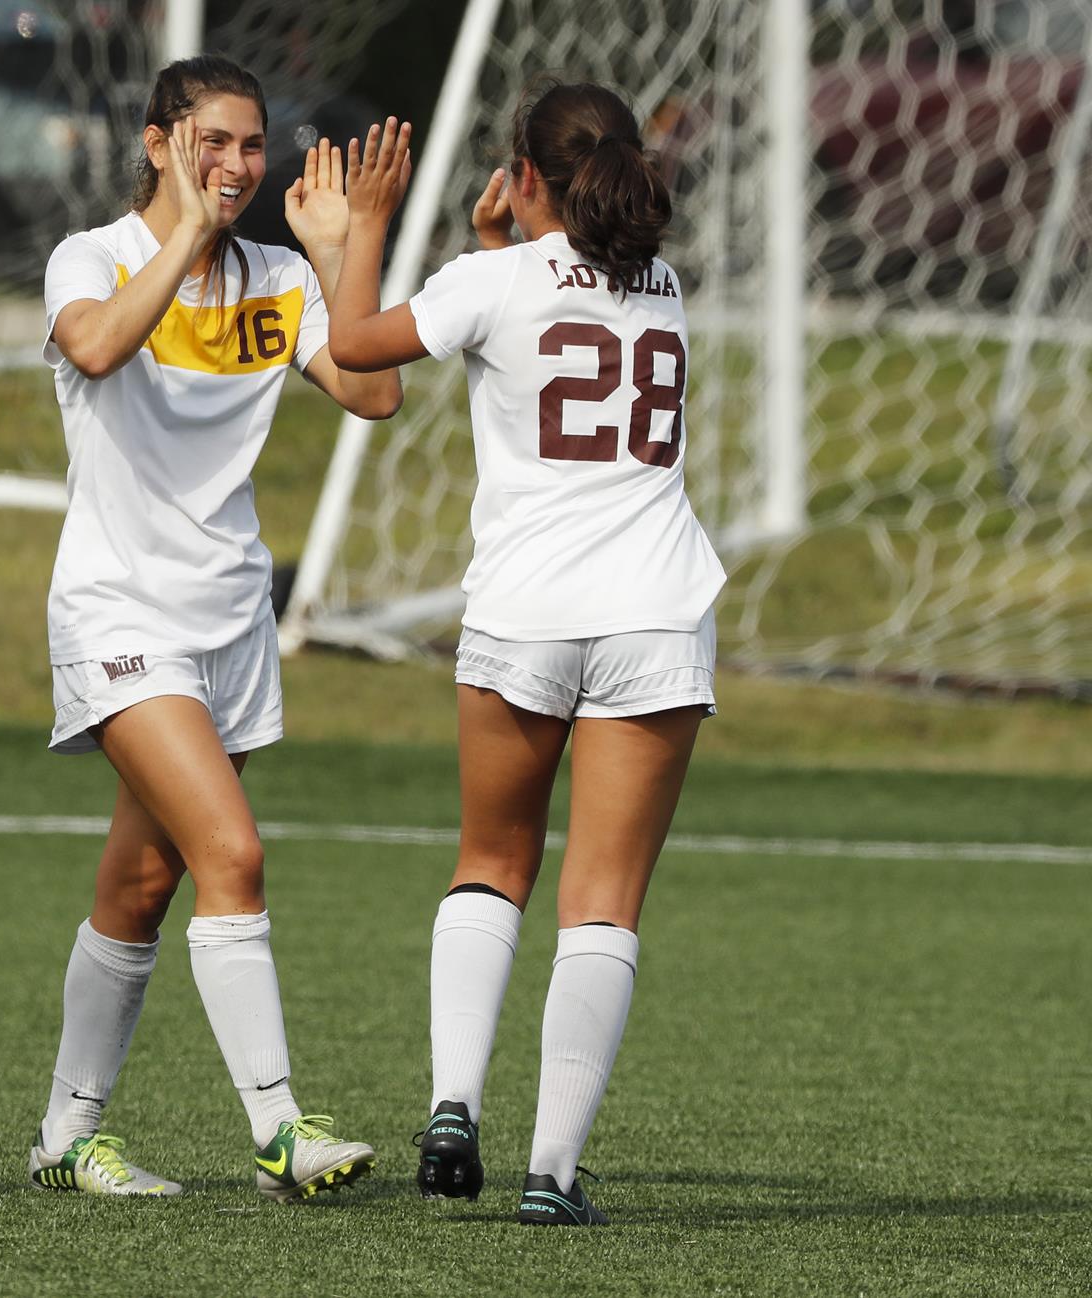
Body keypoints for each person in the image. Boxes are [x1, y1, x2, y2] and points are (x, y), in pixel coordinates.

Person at [325, 83, 726, 1226]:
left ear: (522, 175)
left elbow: (356, 346)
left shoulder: (486, 281)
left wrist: (365, 227)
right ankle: (552, 1172)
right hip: (652, 611)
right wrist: (503, 244)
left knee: (491, 861)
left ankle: (452, 1102)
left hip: (525, 614)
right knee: (601, 900)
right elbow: (561, 291)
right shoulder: (664, 286)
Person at [27, 55, 404, 1202]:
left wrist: (353, 248)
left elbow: (372, 391)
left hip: (229, 620)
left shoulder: (279, 278)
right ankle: (281, 1128)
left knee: (143, 886)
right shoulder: (90, 259)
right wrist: (182, 238)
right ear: (157, 144)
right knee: (230, 852)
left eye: (252, 145)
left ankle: (65, 1136)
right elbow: (95, 347)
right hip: (117, 609)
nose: (238, 164)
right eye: (213, 143)